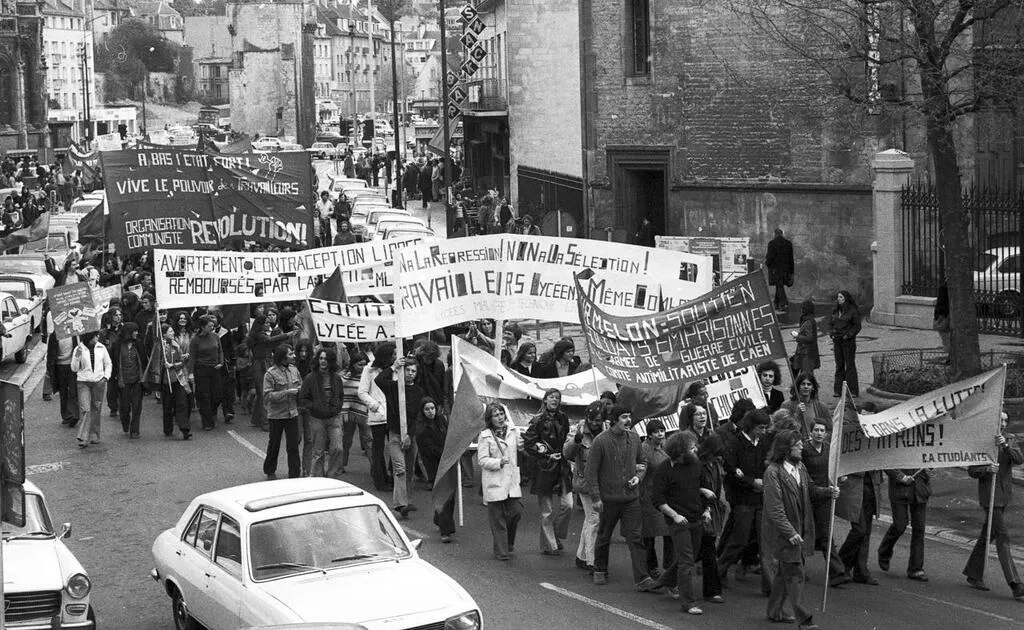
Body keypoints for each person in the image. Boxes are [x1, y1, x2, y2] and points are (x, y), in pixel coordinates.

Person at [762, 429, 836, 630]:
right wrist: (790, 532)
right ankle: (804, 619)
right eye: (797, 445)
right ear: (786, 449)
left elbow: (811, 489)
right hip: (784, 534)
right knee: (795, 574)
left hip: (800, 530)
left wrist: (828, 492)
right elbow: (775, 509)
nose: (802, 447)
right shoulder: (773, 473)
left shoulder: (801, 467)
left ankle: (774, 611)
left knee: (783, 574)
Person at [586, 404, 655, 591]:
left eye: (629, 416)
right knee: (604, 536)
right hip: (608, 499)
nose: (628, 420)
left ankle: (642, 578)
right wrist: (596, 498)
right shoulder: (600, 441)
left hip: (631, 498)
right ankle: (600, 569)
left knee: (636, 538)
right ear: (613, 420)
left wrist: (638, 477)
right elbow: (591, 472)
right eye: (624, 417)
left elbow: (643, 461)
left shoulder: (634, 438)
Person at [962, 411, 1024, 597]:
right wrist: (987, 469)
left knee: (988, 534)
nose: (1003, 423)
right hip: (989, 496)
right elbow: (972, 471)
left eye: (1006, 420)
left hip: (1004, 495)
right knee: (1002, 536)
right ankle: (1015, 584)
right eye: (1001, 419)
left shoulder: (1009, 439)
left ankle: (973, 573)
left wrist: (1004, 445)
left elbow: (1019, 459)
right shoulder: (982, 440)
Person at [651, 431, 712, 615]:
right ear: (680, 451)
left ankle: (665, 580)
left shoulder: (696, 464)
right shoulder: (663, 470)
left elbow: (702, 485)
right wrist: (674, 515)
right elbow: (657, 499)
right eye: (692, 448)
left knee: (692, 556)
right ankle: (688, 602)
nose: (696, 450)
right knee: (686, 562)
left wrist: (707, 508)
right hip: (678, 522)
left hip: (697, 518)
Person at [717, 408, 771, 594]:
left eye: (765, 427)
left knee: (765, 543)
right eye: (760, 428)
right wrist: (751, 482)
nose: (763, 431)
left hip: (761, 499)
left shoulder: (763, 443)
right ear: (751, 426)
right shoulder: (735, 444)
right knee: (739, 540)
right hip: (743, 500)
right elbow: (731, 472)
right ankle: (718, 572)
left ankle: (769, 586)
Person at [801, 419, 852, 587]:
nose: (819, 433)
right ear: (811, 432)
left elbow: (833, 467)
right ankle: (797, 569)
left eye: (822, 430)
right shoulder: (804, 450)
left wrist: (839, 477)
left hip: (825, 496)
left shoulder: (829, 448)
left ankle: (837, 573)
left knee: (826, 535)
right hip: (808, 496)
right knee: (804, 532)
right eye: (816, 430)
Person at [524, 388, 573, 555]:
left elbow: (566, 439)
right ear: (545, 399)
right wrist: (545, 454)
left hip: (562, 466)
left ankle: (555, 535)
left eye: (557, 398)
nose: (555, 400)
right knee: (547, 510)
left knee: (568, 505)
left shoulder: (563, 418)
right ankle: (550, 545)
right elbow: (529, 444)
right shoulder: (537, 420)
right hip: (544, 468)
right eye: (551, 397)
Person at [376, 357, 424, 519]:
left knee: (409, 470)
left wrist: (409, 435)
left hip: (411, 436)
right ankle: (400, 504)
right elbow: (379, 380)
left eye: (413, 371)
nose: (410, 373)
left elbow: (417, 416)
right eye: (407, 370)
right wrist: (394, 367)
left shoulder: (418, 391)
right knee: (400, 468)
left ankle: (407, 500)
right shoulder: (393, 387)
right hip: (395, 435)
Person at [564, 401, 606, 573]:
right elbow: (566, 453)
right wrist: (577, 439)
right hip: (585, 483)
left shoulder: (608, 429)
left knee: (590, 519)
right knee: (594, 519)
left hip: (604, 482)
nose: (595, 423)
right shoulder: (578, 429)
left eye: (598, 420)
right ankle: (592, 560)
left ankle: (581, 556)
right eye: (592, 419)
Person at [478, 403, 524, 560]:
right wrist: (498, 462)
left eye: (501, 414)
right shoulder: (485, 436)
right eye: (495, 415)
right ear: (490, 419)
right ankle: (501, 551)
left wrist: (524, 445)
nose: (500, 418)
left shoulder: (513, 431)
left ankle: (508, 541)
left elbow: (521, 448)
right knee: (497, 518)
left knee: (516, 511)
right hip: (494, 480)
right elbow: (482, 460)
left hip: (511, 480)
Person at [877, 467, 931, 581]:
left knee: (919, 529)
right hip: (900, 489)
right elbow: (888, 462)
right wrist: (900, 476)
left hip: (920, 488)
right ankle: (884, 550)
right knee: (900, 525)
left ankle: (915, 568)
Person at [297, 348, 345, 478]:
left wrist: (337, 408)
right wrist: (314, 408)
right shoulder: (310, 378)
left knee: (337, 448)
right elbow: (303, 398)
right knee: (318, 452)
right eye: (321, 358)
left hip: (334, 417)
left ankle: (332, 476)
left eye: (326, 359)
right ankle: (318, 478)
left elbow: (341, 396)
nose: (323, 361)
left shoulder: (336, 378)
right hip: (317, 418)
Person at [416, 397, 456, 542]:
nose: (430, 412)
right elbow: (430, 450)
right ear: (422, 411)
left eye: (432, 408)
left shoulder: (441, 420)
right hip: (434, 465)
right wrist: (448, 453)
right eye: (427, 409)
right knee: (444, 496)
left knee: (451, 494)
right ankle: (445, 531)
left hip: (447, 462)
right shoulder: (421, 429)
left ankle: (439, 518)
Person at [262, 344, 302, 479]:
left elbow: (300, 385)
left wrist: (300, 390)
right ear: (283, 357)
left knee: (293, 446)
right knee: (274, 444)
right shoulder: (270, 374)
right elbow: (268, 396)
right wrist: (287, 392)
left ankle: (294, 474)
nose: (294, 356)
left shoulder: (294, 370)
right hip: (276, 415)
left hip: (292, 413)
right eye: (290, 354)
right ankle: (270, 470)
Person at [640, 419, 673, 580]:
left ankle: (669, 566)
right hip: (648, 497)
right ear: (649, 435)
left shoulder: (667, 446)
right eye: (656, 432)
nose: (660, 434)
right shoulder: (644, 450)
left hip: (666, 495)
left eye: (662, 430)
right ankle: (651, 567)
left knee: (670, 533)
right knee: (649, 536)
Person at [359, 342, 395, 491]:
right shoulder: (368, 369)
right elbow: (362, 392)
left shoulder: (396, 369)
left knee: (395, 447)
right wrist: (375, 406)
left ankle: (393, 477)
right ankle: (380, 480)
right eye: (393, 354)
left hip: (393, 414)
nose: (395, 357)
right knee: (378, 449)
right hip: (378, 415)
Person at [71, 332, 111, 449]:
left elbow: (108, 363)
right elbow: (74, 368)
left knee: (96, 408)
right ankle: (83, 437)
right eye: (95, 336)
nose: (97, 337)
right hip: (83, 381)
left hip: (98, 381)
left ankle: (94, 434)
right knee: (86, 409)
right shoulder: (79, 349)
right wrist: (77, 357)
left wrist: (106, 377)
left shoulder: (101, 347)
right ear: (90, 337)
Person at [156, 323, 192, 440]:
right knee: (167, 406)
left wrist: (173, 365)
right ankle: (168, 429)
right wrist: (163, 364)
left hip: (179, 379)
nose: (173, 333)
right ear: (164, 334)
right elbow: (155, 364)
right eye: (170, 331)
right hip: (166, 381)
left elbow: (182, 362)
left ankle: (185, 429)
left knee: (182, 404)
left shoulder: (176, 345)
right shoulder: (159, 347)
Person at [190, 315, 225, 432]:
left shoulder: (215, 337)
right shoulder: (196, 340)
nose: (212, 328)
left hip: (215, 368)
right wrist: (190, 373)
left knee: (217, 394)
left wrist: (221, 363)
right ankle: (206, 421)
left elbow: (220, 351)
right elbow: (192, 357)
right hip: (201, 369)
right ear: (203, 327)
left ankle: (212, 412)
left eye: (213, 326)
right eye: (209, 326)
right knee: (204, 396)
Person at [827, 290, 861, 398]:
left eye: (841, 297)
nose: (839, 299)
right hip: (837, 340)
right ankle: (838, 390)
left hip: (848, 341)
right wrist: (831, 333)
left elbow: (857, 326)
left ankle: (853, 390)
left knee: (849, 365)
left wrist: (849, 335)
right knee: (839, 365)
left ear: (846, 298)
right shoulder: (835, 310)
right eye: (838, 297)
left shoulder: (852, 311)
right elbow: (830, 323)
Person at [340, 351, 370, 474]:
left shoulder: (370, 376)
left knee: (369, 440)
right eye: (360, 365)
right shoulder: (345, 377)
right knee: (346, 440)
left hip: (365, 412)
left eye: (365, 364)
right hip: (348, 412)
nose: (363, 367)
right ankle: (340, 465)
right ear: (353, 364)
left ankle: (376, 469)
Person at [114, 322, 145, 438]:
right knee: (124, 407)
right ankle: (125, 422)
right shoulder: (118, 345)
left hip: (137, 379)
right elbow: (113, 362)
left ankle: (135, 430)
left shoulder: (138, 344)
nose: (137, 333)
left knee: (137, 406)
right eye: (134, 331)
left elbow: (143, 360)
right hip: (123, 381)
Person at [781, 372, 831, 438]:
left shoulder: (822, 407)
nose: (806, 386)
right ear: (798, 386)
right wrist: (797, 414)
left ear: (813, 387)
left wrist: (818, 440)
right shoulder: (786, 405)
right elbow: (783, 430)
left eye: (809, 384)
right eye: (803, 384)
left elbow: (829, 430)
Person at [47, 330, 78, 428]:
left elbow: (78, 348)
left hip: (72, 366)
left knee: (73, 391)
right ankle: (66, 415)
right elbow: (50, 353)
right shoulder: (54, 335)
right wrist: (49, 369)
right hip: (59, 367)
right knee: (63, 391)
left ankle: (74, 414)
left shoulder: (74, 333)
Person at [765, 228, 795, 313]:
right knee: (779, 285)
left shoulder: (772, 243)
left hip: (775, 270)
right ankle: (776, 303)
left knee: (779, 285)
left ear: (775, 234)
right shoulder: (788, 243)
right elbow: (791, 258)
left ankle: (783, 304)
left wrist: (767, 263)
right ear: (782, 234)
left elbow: (769, 257)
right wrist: (792, 271)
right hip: (786, 269)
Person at [791, 299, 821, 376]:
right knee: (805, 374)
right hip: (805, 352)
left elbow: (809, 338)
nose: (801, 309)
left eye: (802, 307)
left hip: (806, 353)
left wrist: (797, 336)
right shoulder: (807, 319)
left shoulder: (808, 322)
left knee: (805, 375)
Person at [934, 282, 951, 358]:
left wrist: (937, 315)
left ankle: (948, 349)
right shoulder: (946, 287)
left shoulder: (944, 287)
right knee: (945, 333)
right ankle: (948, 349)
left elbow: (940, 302)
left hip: (944, 314)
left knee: (943, 332)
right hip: (946, 314)